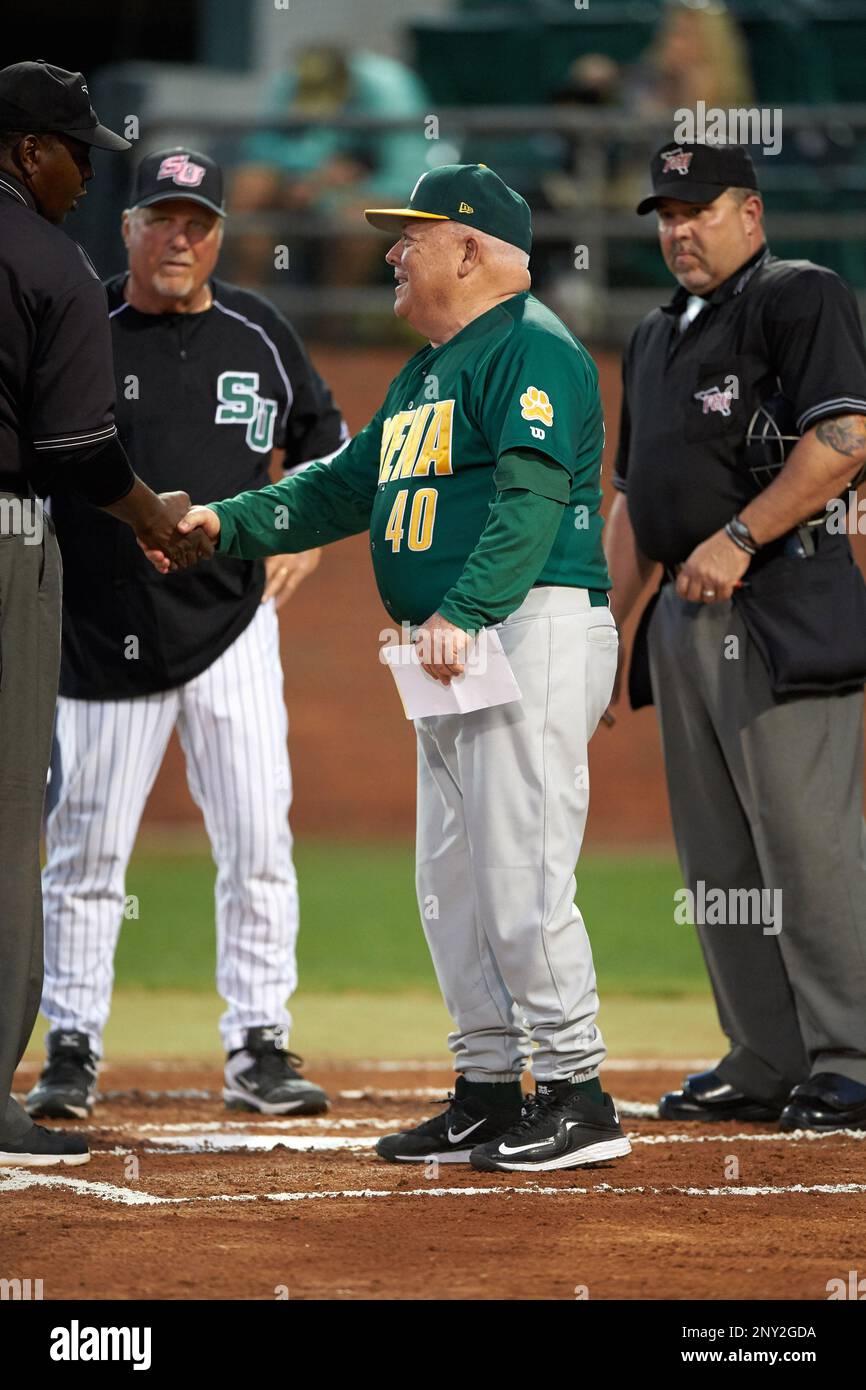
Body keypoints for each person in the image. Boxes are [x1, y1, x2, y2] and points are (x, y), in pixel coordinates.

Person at [173, 164, 631, 1174]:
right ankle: (484, 1086)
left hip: (524, 624)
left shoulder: (530, 348)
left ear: (470, 251)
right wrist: (229, 522)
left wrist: (465, 609)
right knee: (452, 880)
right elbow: (342, 486)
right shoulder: (428, 371)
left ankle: (576, 1090)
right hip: (456, 643)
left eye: (411, 234)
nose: (391, 250)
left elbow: (526, 501)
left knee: (518, 870)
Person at [25, 148, 348, 1125]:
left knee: (257, 841)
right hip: (100, 629)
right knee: (86, 857)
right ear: (125, 231)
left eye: (198, 221)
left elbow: (327, 438)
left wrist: (308, 535)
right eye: (161, 218)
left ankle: (257, 1043)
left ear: (219, 235)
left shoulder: (258, 329)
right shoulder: (86, 323)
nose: (179, 237)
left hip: (232, 625)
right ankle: (71, 1046)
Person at [606, 140, 866, 1131]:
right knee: (717, 860)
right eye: (664, 214)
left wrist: (739, 533)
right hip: (680, 613)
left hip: (779, 601)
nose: (677, 229)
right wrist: (604, 631)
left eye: (696, 209)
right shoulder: (652, 333)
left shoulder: (798, 296)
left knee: (807, 845)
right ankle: (765, 1055)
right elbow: (632, 501)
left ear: (748, 215)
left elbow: (844, 437)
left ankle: (849, 1052)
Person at [0, 62, 211, 1170]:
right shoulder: (52, 263)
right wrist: (154, 515)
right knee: (7, 815)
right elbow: (78, 449)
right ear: (27, 149)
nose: (86, 173)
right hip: (7, 543)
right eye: (75, 151)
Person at [230, 44, 431, 290]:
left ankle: (331, 324)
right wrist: (305, 179)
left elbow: (406, 176)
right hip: (311, 183)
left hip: (366, 188)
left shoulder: (390, 90)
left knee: (355, 223)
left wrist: (334, 192)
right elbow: (261, 149)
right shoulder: (291, 80)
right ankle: (247, 306)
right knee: (249, 186)